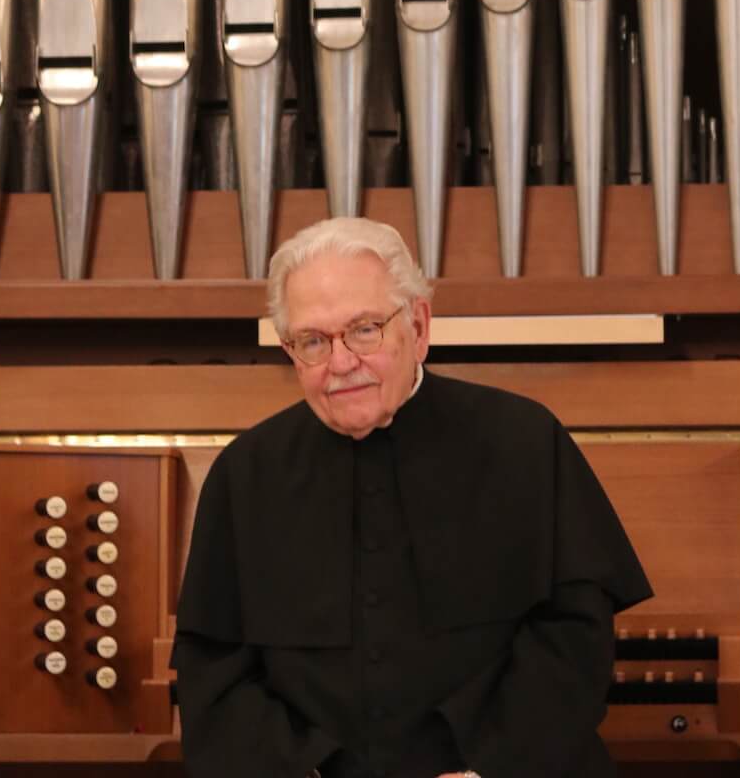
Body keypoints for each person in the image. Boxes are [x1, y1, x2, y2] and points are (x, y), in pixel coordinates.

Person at [173, 216, 652, 778]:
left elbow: (575, 636)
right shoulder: (244, 473)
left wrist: (491, 768)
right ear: (289, 351)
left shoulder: (523, 441)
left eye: (365, 329)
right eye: (313, 342)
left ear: (419, 326)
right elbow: (215, 673)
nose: (342, 363)